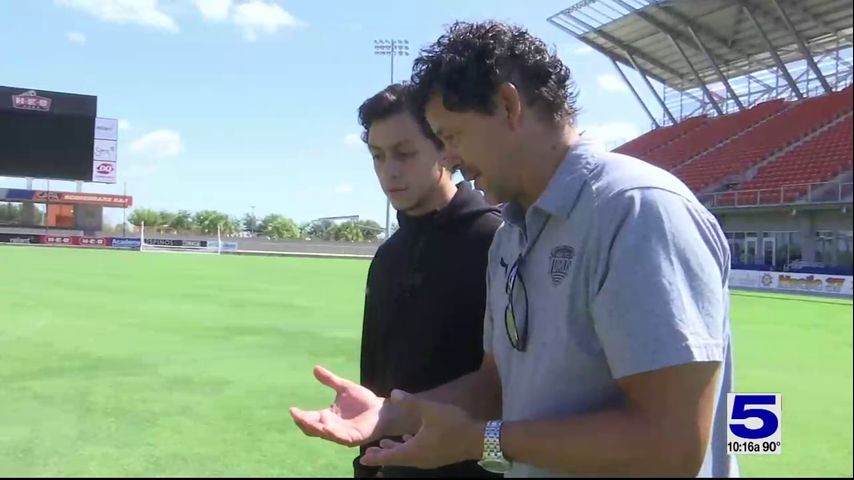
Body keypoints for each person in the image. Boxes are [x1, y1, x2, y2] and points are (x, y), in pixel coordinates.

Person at [291, 21, 737, 478]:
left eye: (452, 136)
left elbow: (672, 445)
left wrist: (483, 440)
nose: (449, 158)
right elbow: (498, 384)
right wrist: (396, 414)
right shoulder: (512, 233)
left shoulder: (638, 210)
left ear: (508, 105)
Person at [347, 82, 502, 477]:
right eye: (378, 156)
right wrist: (368, 466)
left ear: (445, 150)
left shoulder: (495, 241)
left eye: (405, 152)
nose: (389, 170)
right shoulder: (388, 255)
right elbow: (377, 379)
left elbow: (507, 384)